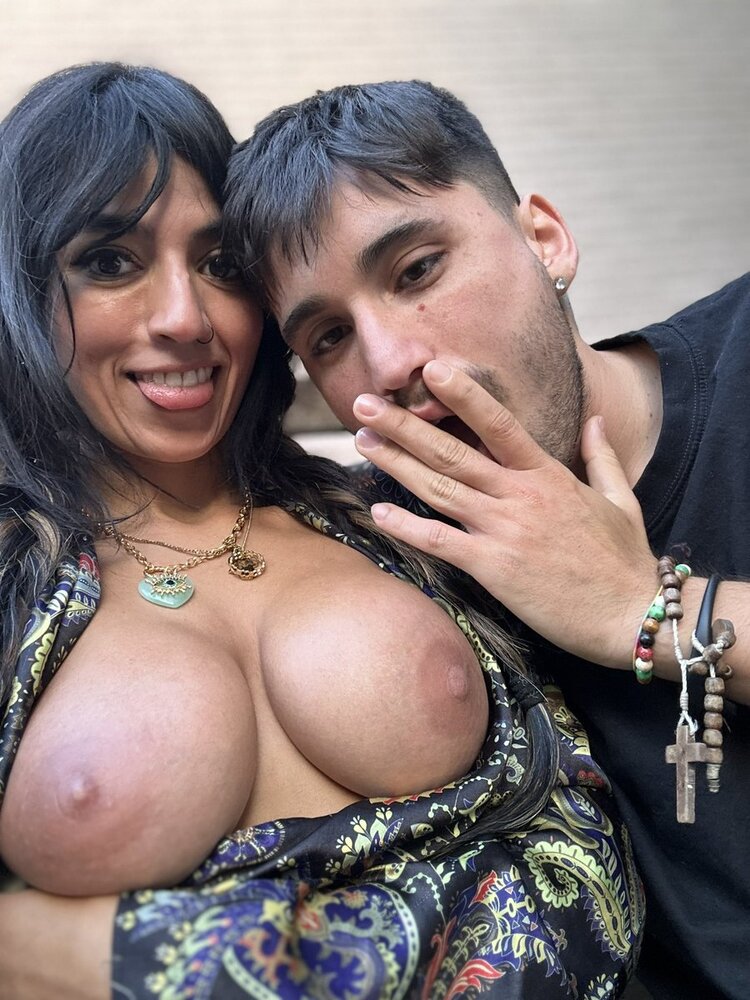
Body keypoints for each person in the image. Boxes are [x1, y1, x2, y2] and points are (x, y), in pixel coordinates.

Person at [0, 65, 643, 998]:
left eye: (220, 265)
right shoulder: (16, 580)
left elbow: (580, 825)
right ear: (22, 290)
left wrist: (162, 964)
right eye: (110, 262)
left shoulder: (401, 515)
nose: (184, 318)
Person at [225, 80, 750, 1000]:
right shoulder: (389, 547)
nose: (392, 363)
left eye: (418, 270)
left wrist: (642, 608)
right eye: (331, 336)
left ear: (545, 238)